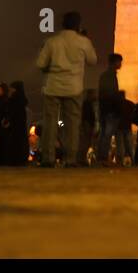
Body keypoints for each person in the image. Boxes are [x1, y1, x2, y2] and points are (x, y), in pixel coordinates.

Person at [34, 11, 97, 167]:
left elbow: (40, 64)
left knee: (50, 124)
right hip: (74, 87)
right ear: (78, 25)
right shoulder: (83, 42)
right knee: (72, 125)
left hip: (53, 87)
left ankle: (48, 158)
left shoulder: (52, 41)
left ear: (62, 24)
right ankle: (70, 159)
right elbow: (93, 60)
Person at [96, 53, 125, 165]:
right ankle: (102, 158)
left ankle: (101, 158)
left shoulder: (107, 75)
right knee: (106, 135)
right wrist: (119, 97)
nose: (121, 64)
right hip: (109, 110)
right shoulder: (109, 76)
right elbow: (108, 94)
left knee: (104, 134)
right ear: (114, 62)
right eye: (119, 62)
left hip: (106, 109)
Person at [4, 81, 30, 165]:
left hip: (14, 125)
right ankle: (21, 159)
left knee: (14, 142)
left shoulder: (14, 99)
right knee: (21, 142)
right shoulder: (22, 100)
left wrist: (8, 120)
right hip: (21, 125)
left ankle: (14, 159)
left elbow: (11, 111)